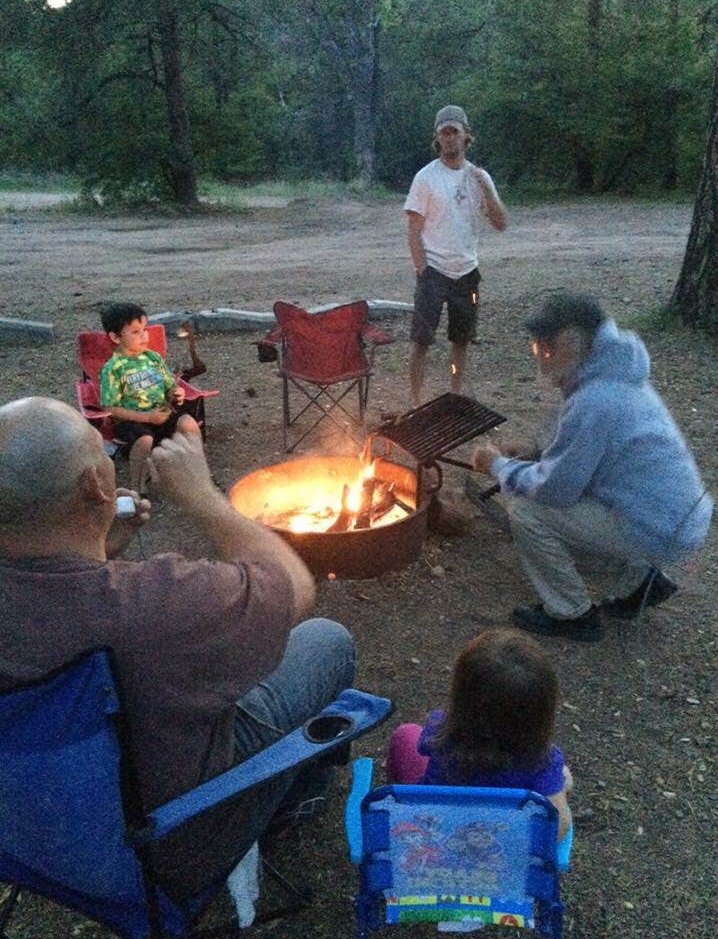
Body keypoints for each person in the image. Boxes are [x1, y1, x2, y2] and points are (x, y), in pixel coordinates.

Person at [0, 397, 356, 899]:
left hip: (31, 838)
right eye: (102, 452)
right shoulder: (154, 604)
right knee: (326, 641)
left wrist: (98, 548)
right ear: (97, 486)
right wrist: (202, 497)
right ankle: (291, 793)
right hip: (162, 847)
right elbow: (293, 583)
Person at [472, 291, 713, 642]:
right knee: (568, 508)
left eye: (543, 349)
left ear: (570, 342)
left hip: (661, 527)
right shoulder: (616, 376)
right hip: (675, 515)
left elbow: (555, 489)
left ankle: (571, 613)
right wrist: (537, 451)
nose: (540, 360)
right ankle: (638, 583)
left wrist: (498, 466)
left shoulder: (597, 398)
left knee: (527, 510)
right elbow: (593, 456)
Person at [386, 628, 573, 839]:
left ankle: (399, 798)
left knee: (406, 733)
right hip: (496, 851)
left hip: (435, 835)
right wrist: (560, 786)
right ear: (543, 710)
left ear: (461, 696)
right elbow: (559, 826)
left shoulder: (439, 733)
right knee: (562, 779)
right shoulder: (543, 762)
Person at [405, 104, 508, 408]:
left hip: (467, 270)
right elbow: (413, 230)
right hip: (434, 270)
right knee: (421, 340)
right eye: (444, 133)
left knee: (460, 340)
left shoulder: (479, 177)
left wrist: (487, 190)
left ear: (466, 137)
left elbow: (501, 224)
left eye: (455, 132)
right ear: (437, 139)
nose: (449, 138)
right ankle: (415, 401)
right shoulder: (425, 178)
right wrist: (422, 269)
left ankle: (455, 393)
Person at [99, 302, 201, 493]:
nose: (144, 335)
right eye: (135, 332)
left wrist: (175, 392)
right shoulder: (113, 368)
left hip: (161, 412)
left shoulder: (153, 358)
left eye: (145, 329)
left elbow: (169, 384)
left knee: (189, 424)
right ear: (115, 337)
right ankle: (136, 487)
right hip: (131, 419)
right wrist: (148, 418)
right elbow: (110, 408)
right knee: (145, 440)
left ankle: (197, 472)